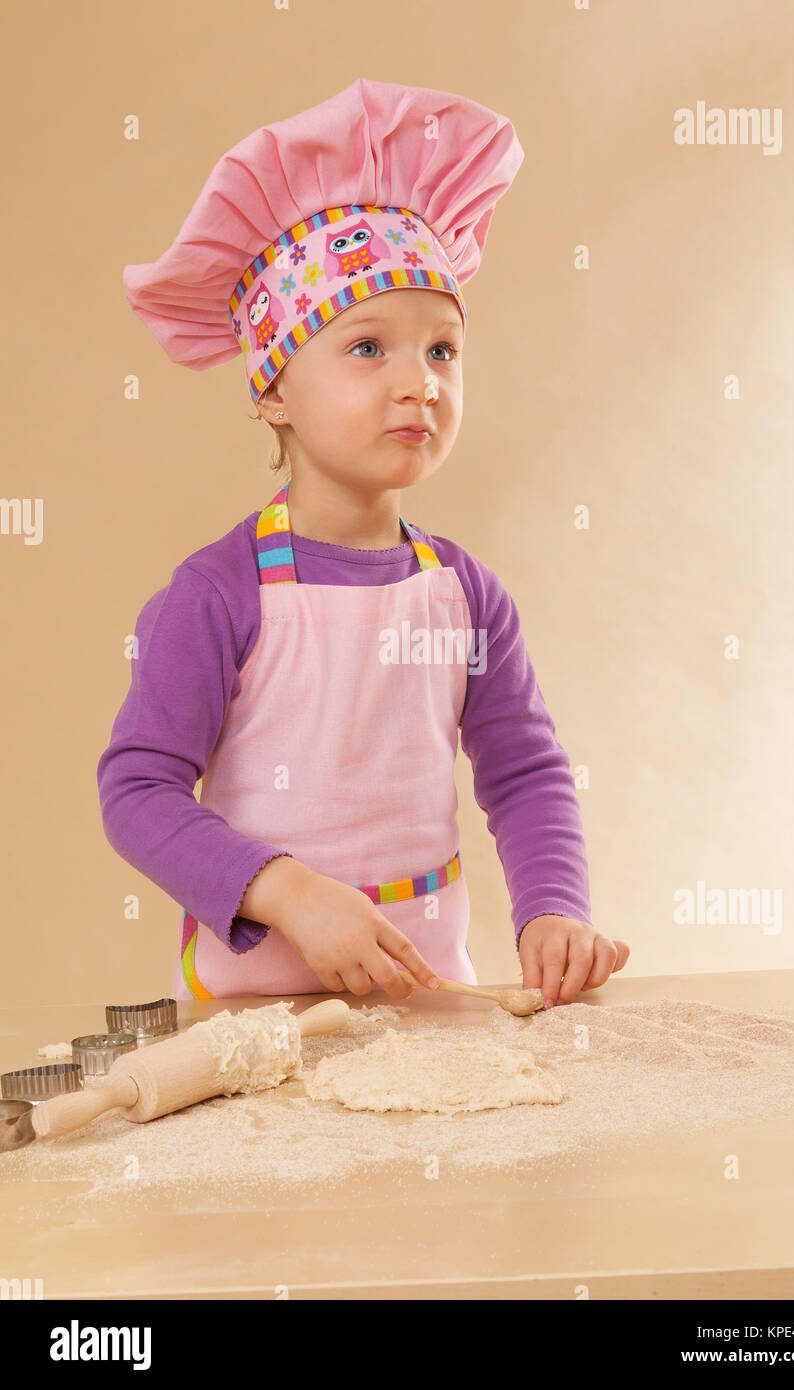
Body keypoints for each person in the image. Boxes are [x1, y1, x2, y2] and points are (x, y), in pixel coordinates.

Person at [98, 78, 630, 1007]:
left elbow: (525, 767)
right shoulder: (219, 593)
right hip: (259, 1025)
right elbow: (137, 794)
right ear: (272, 389)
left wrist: (553, 907)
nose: (420, 382)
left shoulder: (466, 593)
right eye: (368, 348)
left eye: (442, 351)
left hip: (434, 1008)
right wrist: (292, 893)